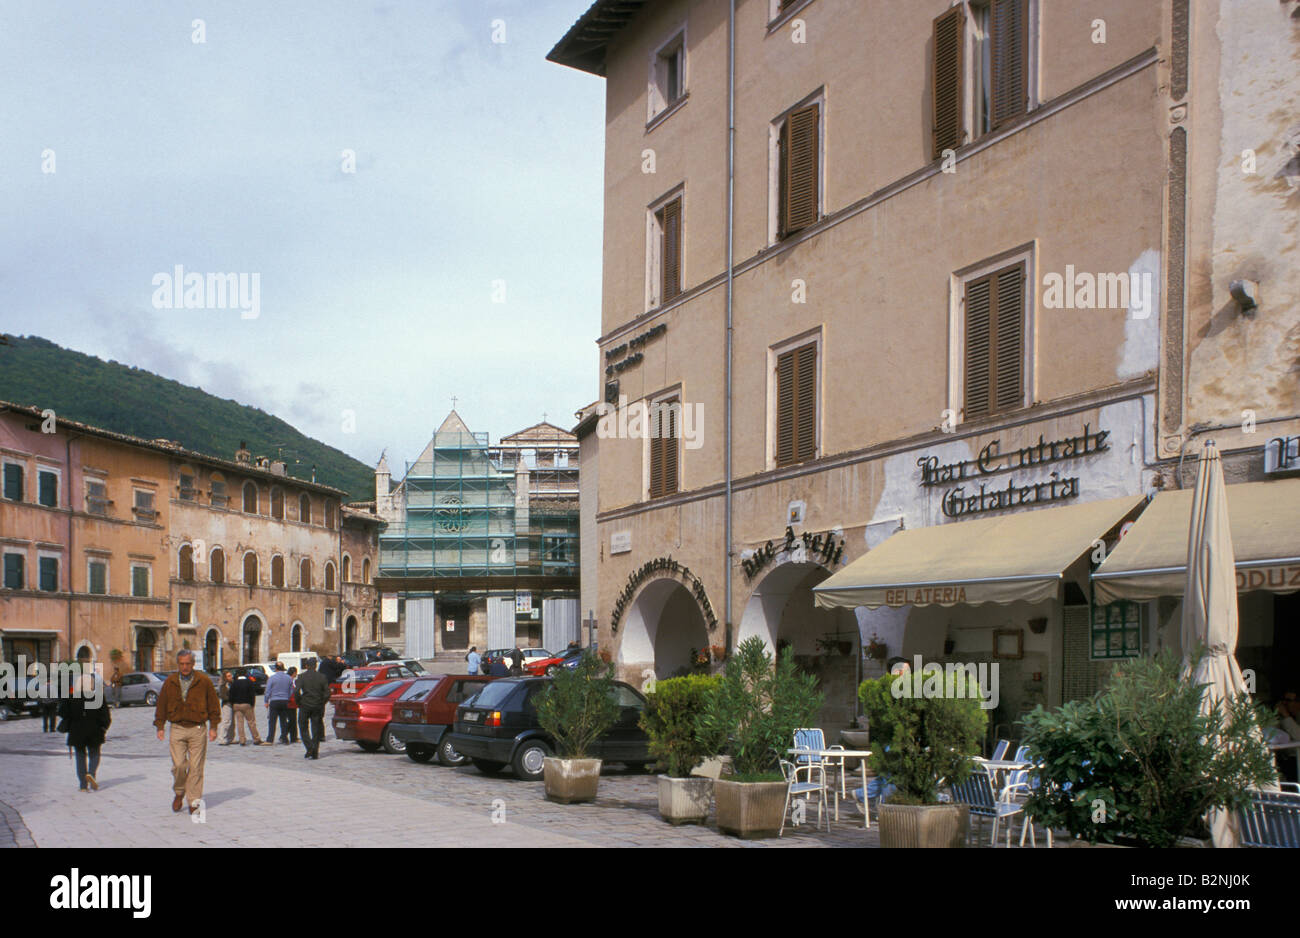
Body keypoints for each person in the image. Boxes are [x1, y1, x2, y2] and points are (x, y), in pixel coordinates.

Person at [153, 650, 222, 815]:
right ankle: (179, 792)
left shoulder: (203, 681)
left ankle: (194, 801)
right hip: (177, 728)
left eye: (187, 664)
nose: (185, 667)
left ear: (193, 664)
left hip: (198, 729)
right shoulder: (170, 682)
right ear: (178, 664)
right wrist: (160, 725)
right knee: (179, 766)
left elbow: (213, 705)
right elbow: (161, 704)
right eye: (181, 664)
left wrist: (213, 727)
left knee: (196, 767)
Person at [59, 673, 111, 792]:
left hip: (76, 731)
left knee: (80, 756)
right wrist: (104, 727)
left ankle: (83, 785)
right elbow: (105, 715)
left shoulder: (71, 698)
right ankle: (91, 773)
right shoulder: (98, 697)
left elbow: (63, 713)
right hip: (95, 730)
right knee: (95, 754)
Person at [295, 658, 331, 760]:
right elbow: (327, 693)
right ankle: (315, 751)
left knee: (303, 727)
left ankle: (310, 747)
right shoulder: (322, 677)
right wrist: (322, 702)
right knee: (316, 729)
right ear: (316, 666)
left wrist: (299, 702)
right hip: (317, 705)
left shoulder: (302, 677)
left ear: (306, 666)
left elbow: (296, 691)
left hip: (305, 705)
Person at [227, 671, 269, 746]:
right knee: (251, 722)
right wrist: (252, 704)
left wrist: (233, 703)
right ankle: (256, 739)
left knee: (240, 723)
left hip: (236, 705)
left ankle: (242, 740)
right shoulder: (249, 682)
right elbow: (252, 695)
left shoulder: (234, 683)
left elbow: (230, 695)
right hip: (246, 704)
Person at [264, 663, 294, 744]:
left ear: (276, 669)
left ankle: (270, 739)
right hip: (284, 700)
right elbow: (291, 690)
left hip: (274, 701)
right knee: (283, 720)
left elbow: (267, 691)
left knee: (272, 721)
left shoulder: (272, 678)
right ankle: (285, 738)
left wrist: (266, 701)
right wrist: (287, 697)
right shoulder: (288, 678)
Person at [217, 672, 236, 745]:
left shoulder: (233, 684)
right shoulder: (223, 685)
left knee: (232, 722)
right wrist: (230, 698)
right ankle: (221, 738)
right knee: (226, 721)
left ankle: (230, 738)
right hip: (227, 704)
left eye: (231, 675)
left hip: (233, 704)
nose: (230, 677)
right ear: (225, 677)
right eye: (228, 676)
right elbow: (222, 695)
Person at [285, 667, 300, 743]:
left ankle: (289, 736)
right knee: (292, 720)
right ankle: (291, 737)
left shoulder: (291, 680)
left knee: (292, 720)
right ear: (294, 673)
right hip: (290, 702)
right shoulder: (289, 680)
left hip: (292, 703)